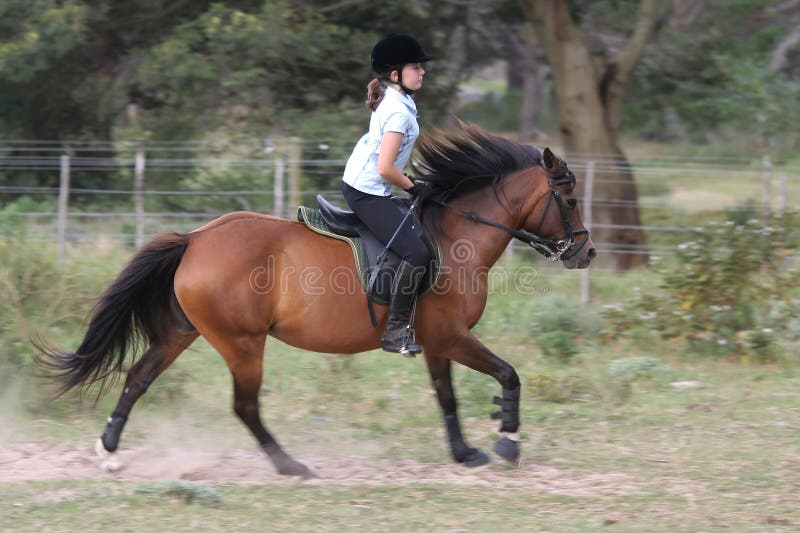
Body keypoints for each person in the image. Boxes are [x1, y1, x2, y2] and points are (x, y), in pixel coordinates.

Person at [341, 34, 434, 356]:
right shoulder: (398, 111)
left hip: (369, 184)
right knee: (417, 254)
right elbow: (384, 167)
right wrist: (412, 185)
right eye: (415, 67)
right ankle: (395, 331)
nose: (422, 72)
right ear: (395, 75)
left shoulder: (400, 101)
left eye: (421, 67)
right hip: (366, 191)